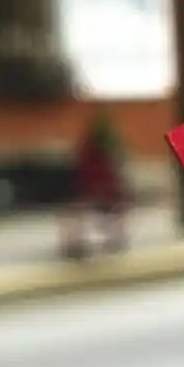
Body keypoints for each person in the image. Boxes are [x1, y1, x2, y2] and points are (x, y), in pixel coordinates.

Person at [61, 111, 129, 259]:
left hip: (99, 194)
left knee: (94, 213)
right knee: (90, 214)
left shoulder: (93, 152)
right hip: (98, 194)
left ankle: (82, 243)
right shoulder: (98, 153)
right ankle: (81, 244)